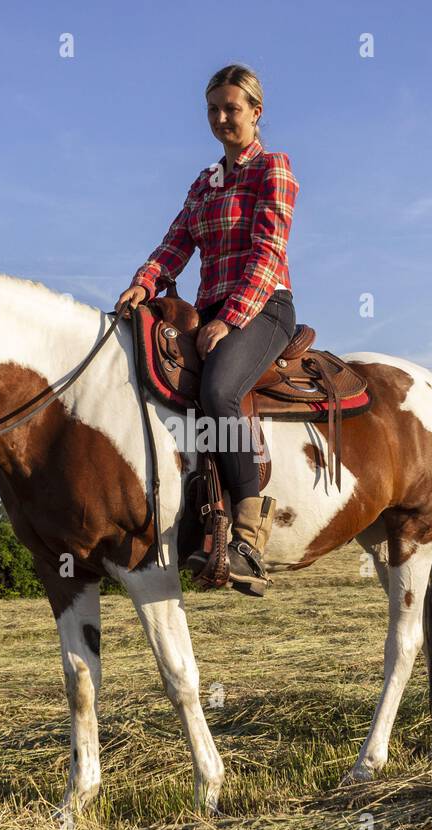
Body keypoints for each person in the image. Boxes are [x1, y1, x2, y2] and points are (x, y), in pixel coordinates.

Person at [116, 63, 299, 595]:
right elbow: (175, 243)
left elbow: (268, 255)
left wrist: (229, 318)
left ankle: (248, 533)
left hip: (263, 308)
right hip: (210, 310)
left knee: (219, 388)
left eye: (232, 108)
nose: (222, 118)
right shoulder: (205, 182)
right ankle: (196, 514)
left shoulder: (274, 169)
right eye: (213, 109)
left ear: (256, 113)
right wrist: (144, 284)